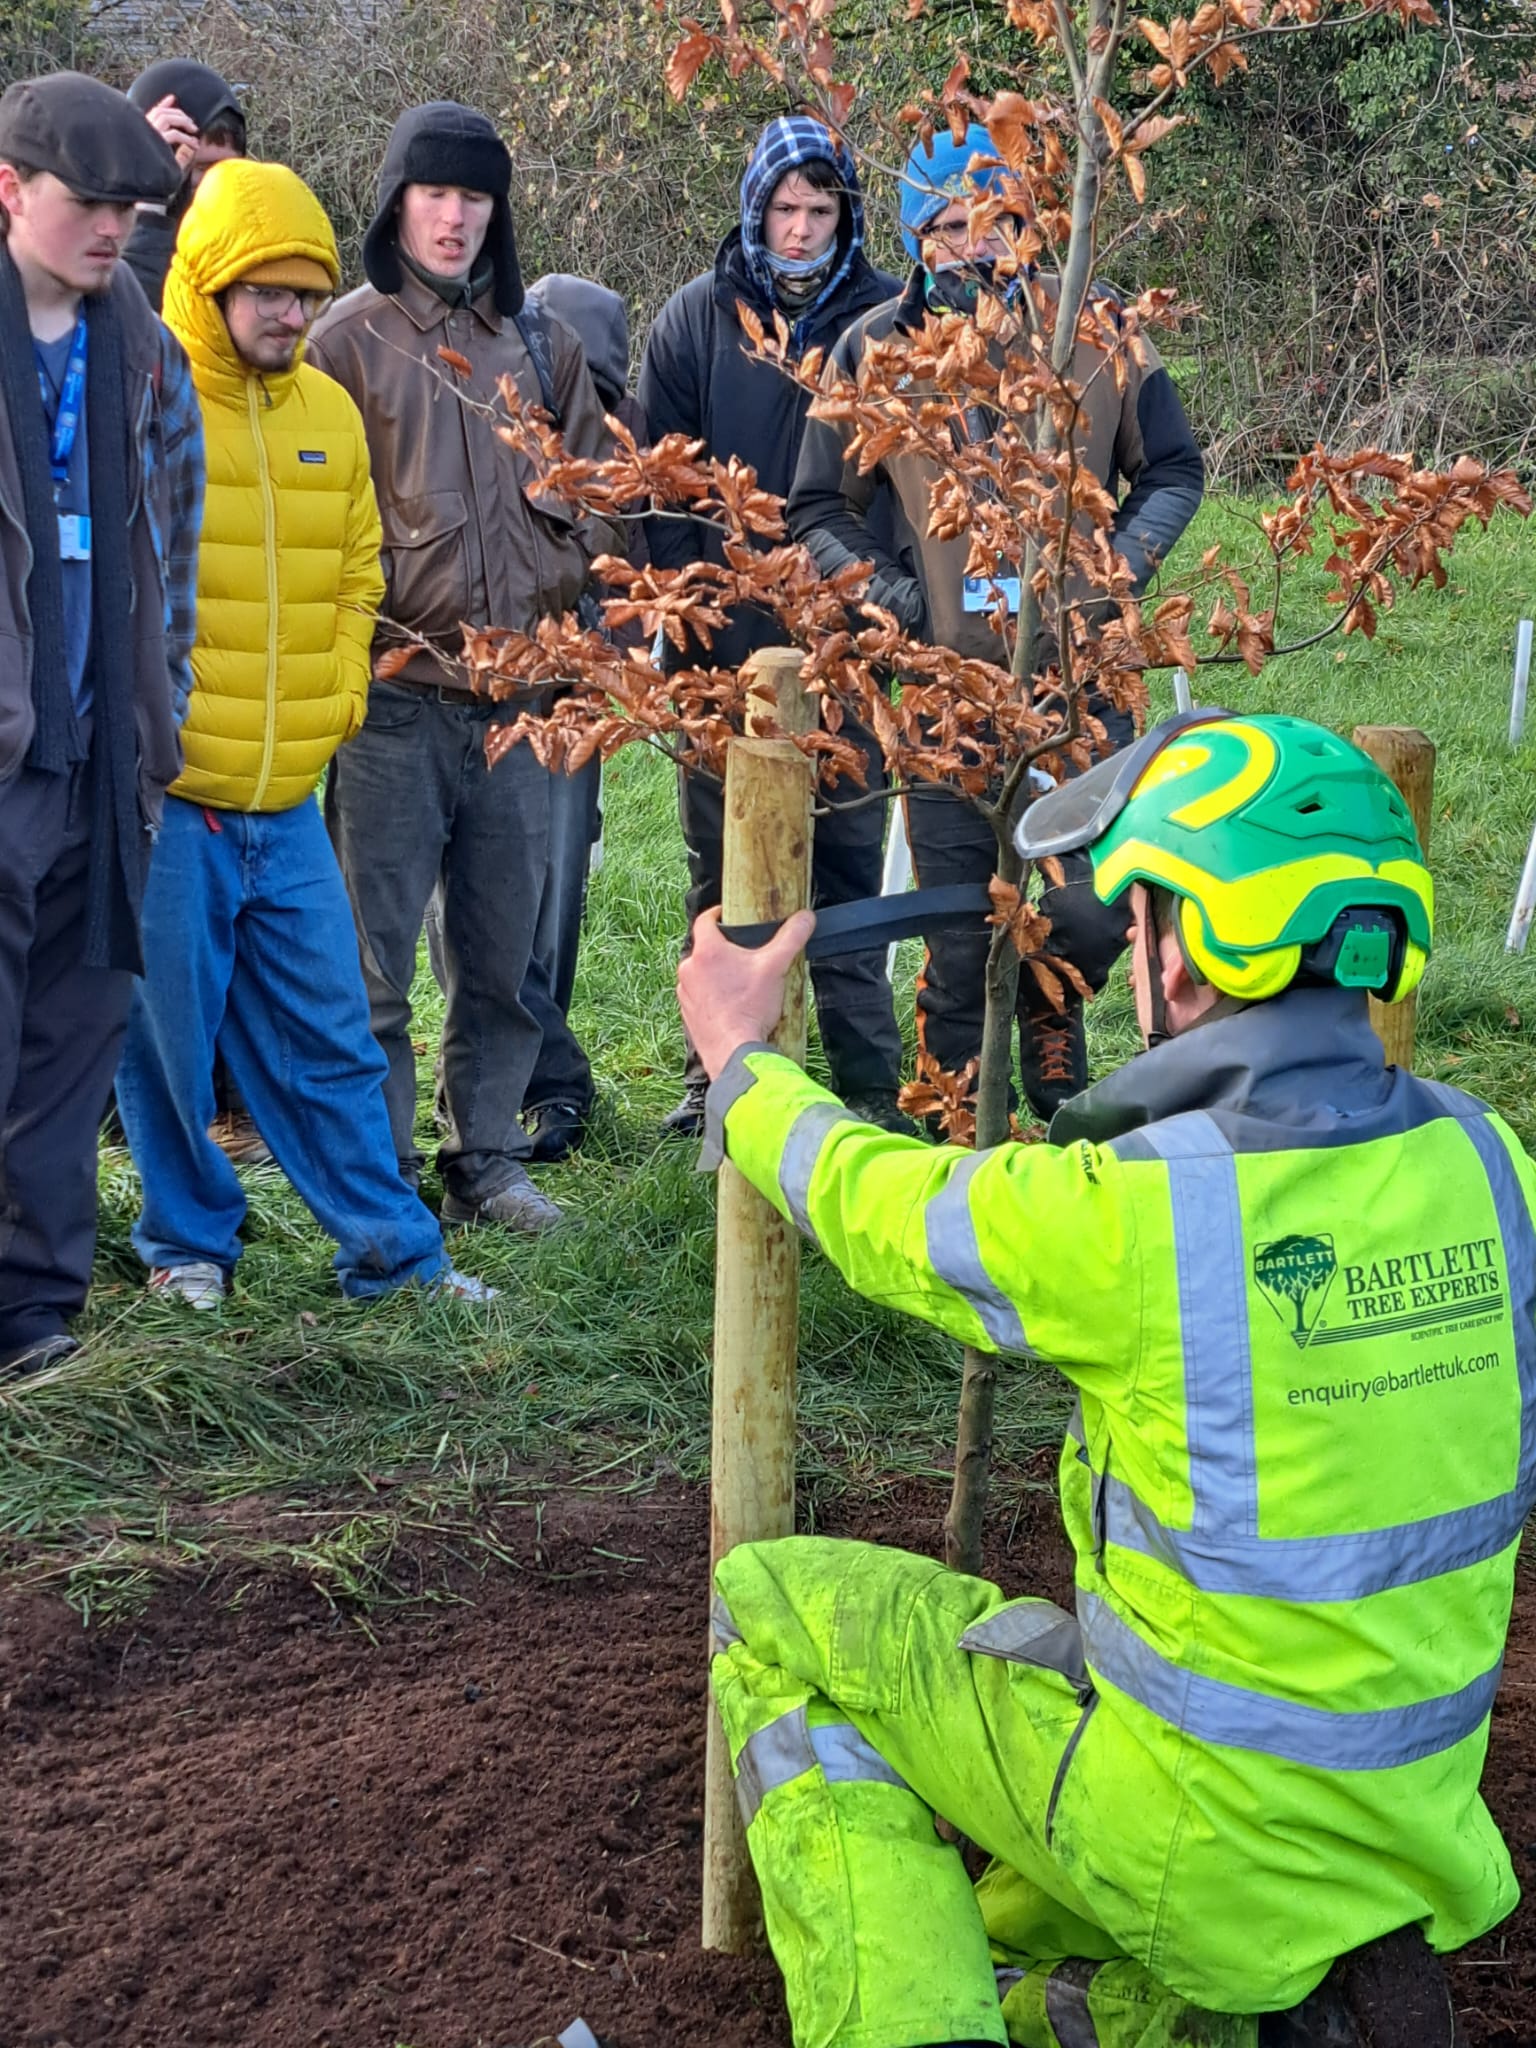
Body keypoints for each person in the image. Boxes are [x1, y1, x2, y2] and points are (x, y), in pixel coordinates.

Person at [678, 709, 1534, 2048]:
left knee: (772, 1608)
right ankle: (1213, 2016)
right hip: (1415, 1834)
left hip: (1200, 1842)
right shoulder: (1496, 1171)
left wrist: (742, 1063)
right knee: (1045, 1815)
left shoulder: (1143, 1212)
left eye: (1139, 915)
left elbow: (875, 1201)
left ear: (1182, 948)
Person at [113, 158, 489, 1310]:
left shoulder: (327, 408)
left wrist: (335, 698)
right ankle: (188, 1244)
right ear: (210, 283)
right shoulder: (147, 394)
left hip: (287, 806)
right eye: (265, 290)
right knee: (169, 1045)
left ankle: (394, 1254)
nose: (287, 311)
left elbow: (358, 572)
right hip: (175, 801)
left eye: (303, 290)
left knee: (333, 1036)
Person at [789, 125, 1206, 1122]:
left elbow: (1174, 470)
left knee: (1088, 907)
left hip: (1080, 683)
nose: (976, 242)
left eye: (998, 220)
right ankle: (959, 1120)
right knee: (960, 927)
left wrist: (1117, 566)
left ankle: (1055, 1019)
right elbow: (817, 511)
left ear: (1028, 224)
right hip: (946, 694)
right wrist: (900, 605)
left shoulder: (1097, 333)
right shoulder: (873, 349)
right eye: (950, 223)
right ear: (914, 235)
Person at [307, 104, 621, 1231]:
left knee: (501, 956)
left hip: (520, 711)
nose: (454, 215)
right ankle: (376, 1173)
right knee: (371, 963)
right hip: (392, 704)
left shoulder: (541, 344)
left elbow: (605, 501)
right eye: (435, 193)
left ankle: (485, 1154)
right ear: (396, 200)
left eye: (475, 195)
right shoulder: (343, 343)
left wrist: (562, 563)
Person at [638, 116, 910, 1142]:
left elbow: (908, 485)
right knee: (724, 863)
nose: (800, 230)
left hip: (850, 641)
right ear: (755, 210)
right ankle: (721, 1075)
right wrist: (681, 613)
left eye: (820, 209)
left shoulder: (889, 319)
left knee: (845, 864)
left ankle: (869, 1081)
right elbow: (657, 486)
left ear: (846, 211)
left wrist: (877, 610)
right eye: (783, 210)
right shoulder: (694, 321)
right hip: (725, 647)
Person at [0, 73, 203, 1378]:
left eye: (131, 208)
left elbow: (173, 558)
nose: (113, 228)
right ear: (9, 188)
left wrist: (157, 720)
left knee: (74, 1036)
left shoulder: (142, 341)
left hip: (103, 757)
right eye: (88, 203)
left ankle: (32, 1306)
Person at [123, 60, 245, 312]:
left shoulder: (243, 238)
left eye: (224, 168)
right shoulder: (95, 231)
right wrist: (150, 203)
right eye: (199, 168)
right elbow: (130, 320)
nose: (212, 183)